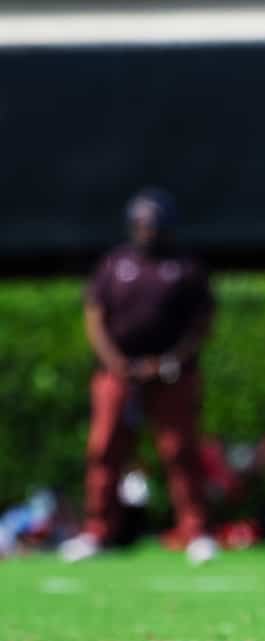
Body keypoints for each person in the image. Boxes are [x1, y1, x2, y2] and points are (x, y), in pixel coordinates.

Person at [60, 189, 217, 564]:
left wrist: (170, 360)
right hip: (118, 373)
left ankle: (195, 530)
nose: (147, 230)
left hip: (171, 374)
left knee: (180, 451)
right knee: (105, 448)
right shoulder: (115, 264)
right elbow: (95, 316)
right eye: (141, 224)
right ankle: (98, 530)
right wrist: (115, 362)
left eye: (154, 224)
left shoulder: (185, 267)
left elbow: (201, 323)